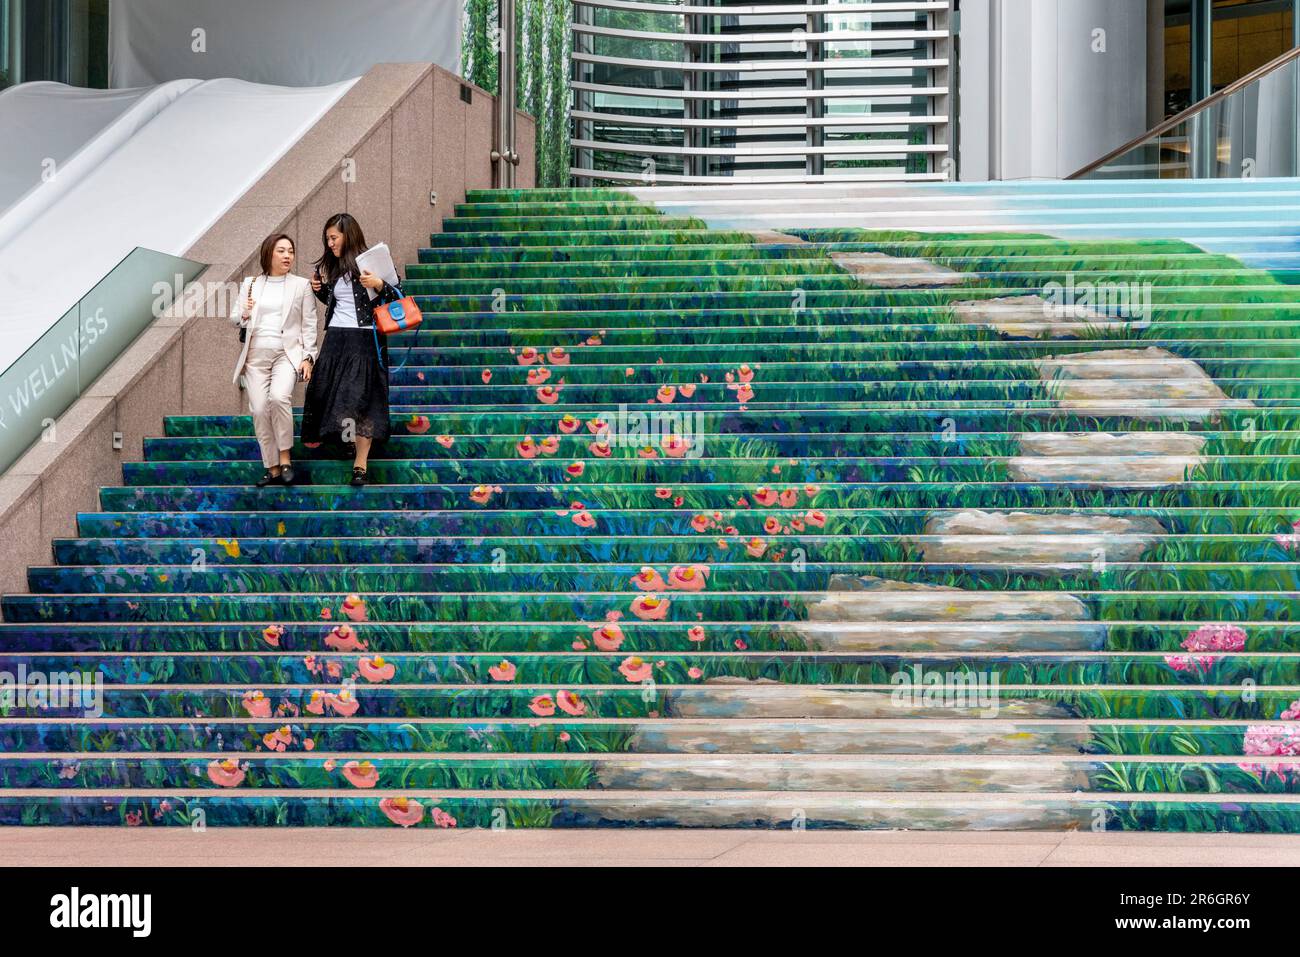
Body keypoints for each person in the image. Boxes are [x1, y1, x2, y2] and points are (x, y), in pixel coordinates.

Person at [301, 212, 404, 487]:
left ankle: (361, 463)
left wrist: (379, 284)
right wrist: (321, 290)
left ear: (349, 234)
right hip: (335, 339)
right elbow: (338, 304)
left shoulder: (371, 261)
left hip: (364, 340)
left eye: (333, 238)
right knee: (330, 394)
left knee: (362, 399)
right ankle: (345, 441)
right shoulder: (335, 268)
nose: (330, 244)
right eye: (328, 239)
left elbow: (397, 296)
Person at [230, 233, 319, 487]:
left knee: (279, 398)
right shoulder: (251, 283)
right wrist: (245, 312)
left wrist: (308, 358)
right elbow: (234, 318)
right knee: (259, 409)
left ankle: (285, 458)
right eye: (281, 251)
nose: (287, 255)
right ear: (269, 253)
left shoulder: (301, 286)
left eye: (290, 251)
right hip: (255, 356)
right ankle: (272, 467)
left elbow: (309, 326)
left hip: (286, 354)